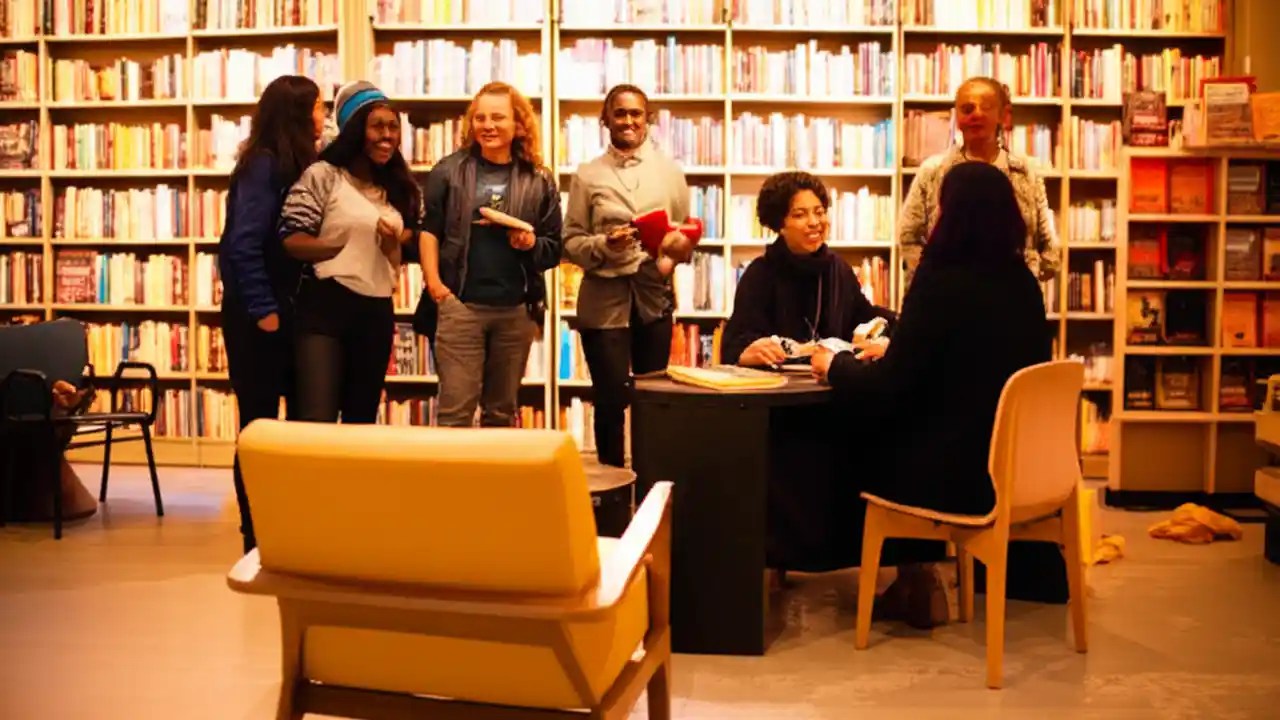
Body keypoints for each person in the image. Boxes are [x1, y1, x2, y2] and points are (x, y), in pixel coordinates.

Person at [812, 161, 1059, 626]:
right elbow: (973, 358)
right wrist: (900, 348)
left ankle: (914, 580)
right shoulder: (1023, 284)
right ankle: (917, 579)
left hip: (956, 476)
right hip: (1012, 468)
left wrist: (836, 365)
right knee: (898, 423)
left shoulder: (939, 279)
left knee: (857, 431)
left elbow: (893, 386)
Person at [414, 81, 563, 428]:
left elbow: (554, 247)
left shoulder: (539, 179)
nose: (487, 125)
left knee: (501, 414)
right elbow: (429, 231)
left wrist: (530, 244)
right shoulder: (448, 170)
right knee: (454, 414)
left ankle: (492, 484)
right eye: (479, 118)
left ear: (519, 125)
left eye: (498, 117)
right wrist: (436, 287)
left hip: (516, 312)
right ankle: (454, 484)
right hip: (460, 307)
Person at [218, 74, 325, 553]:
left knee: (301, 429)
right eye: (320, 107)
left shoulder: (304, 163)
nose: (325, 116)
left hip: (293, 314)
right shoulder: (263, 166)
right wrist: (264, 311)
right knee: (258, 428)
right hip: (258, 317)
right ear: (299, 114)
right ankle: (254, 535)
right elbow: (241, 246)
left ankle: (294, 528)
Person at [561, 83, 695, 466]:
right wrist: (605, 245)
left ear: (648, 119)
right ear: (605, 119)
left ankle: (653, 487)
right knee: (609, 400)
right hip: (604, 304)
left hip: (653, 297)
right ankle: (613, 489)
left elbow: (683, 232)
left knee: (653, 399)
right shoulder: (588, 175)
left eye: (636, 113)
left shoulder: (670, 172)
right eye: (619, 113)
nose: (628, 120)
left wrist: (677, 251)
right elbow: (570, 242)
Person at [279, 80, 419, 425]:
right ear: (356, 130)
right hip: (326, 307)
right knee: (318, 416)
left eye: (393, 127)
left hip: (376, 311)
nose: (387, 135)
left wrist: (393, 244)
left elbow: (411, 241)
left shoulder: (399, 187)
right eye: (377, 126)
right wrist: (333, 246)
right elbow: (291, 237)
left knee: (361, 420)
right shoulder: (323, 176)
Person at [897, 76, 1060, 290]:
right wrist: (930, 278)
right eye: (967, 109)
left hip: (1011, 295)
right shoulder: (933, 172)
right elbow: (908, 235)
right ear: (957, 117)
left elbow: (1046, 238)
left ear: (1003, 115)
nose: (976, 115)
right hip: (949, 294)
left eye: (986, 107)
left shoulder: (1024, 171)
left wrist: (1033, 275)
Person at [722, 171, 894, 369]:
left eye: (819, 212)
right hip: (776, 392)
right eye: (800, 215)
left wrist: (890, 331)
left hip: (829, 390)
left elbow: (865, 317)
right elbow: (734, 345)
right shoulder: (759, 274)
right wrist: (747, 352)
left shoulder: (838, 269)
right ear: (780, 224)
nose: (814, 222)